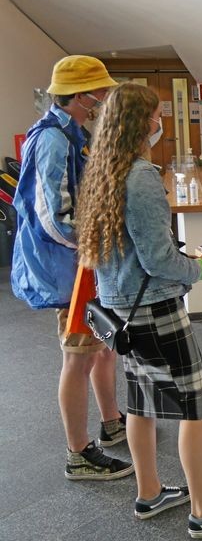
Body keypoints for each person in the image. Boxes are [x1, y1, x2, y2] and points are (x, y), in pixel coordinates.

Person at [76, 83, 202, 538]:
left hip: (121, 309)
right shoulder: (138, 175)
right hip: (153, 310)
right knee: (194, 407)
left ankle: (150, 492)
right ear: (141, 123)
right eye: (157, 115)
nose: (162, 123)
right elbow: (158, 259)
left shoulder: (103, 169)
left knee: (140, 402)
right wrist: (200, 268)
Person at [11, 55, 133, 480]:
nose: (102, 99)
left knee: (98, 348)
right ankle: (78, 453)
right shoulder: (52, 139)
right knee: (77, 357)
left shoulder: (70, 131)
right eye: (98, 92)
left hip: (81, 263)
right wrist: (96, 246)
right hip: (71, 267)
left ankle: (111, 422)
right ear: (79, 96)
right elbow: (51, 215)